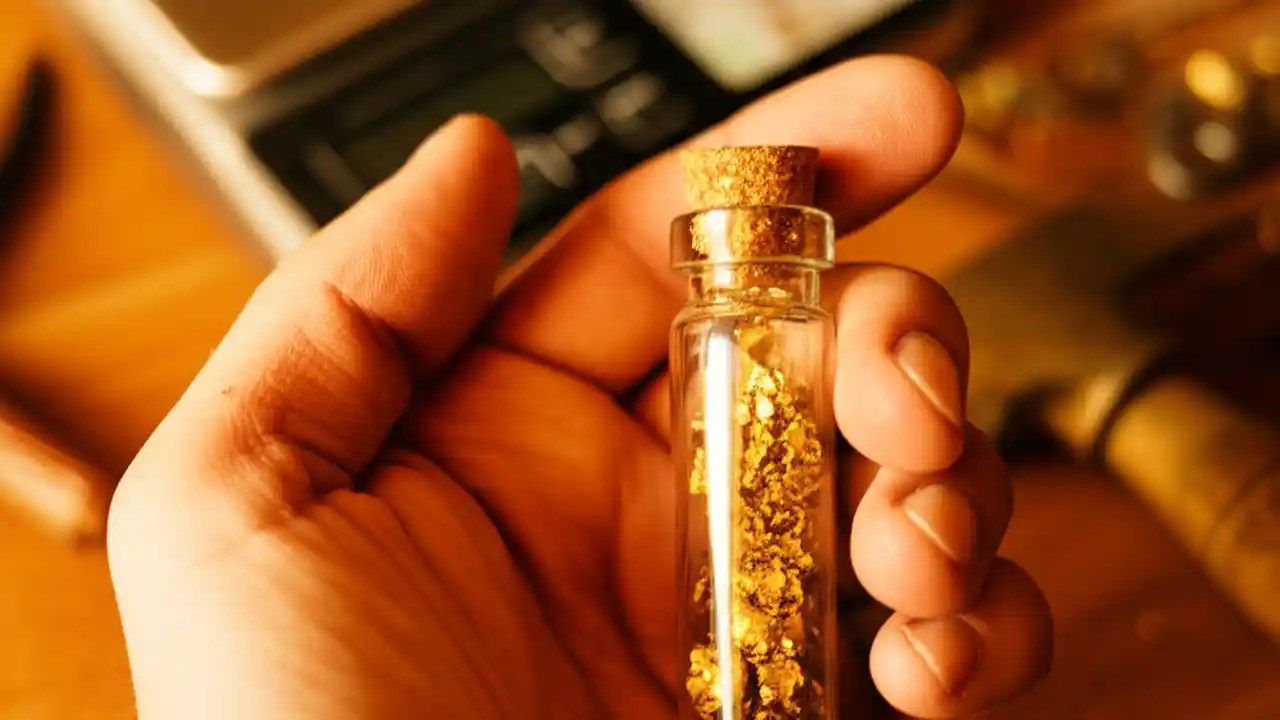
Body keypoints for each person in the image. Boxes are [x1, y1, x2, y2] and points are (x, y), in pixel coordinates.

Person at [107, 56, 1053, 719]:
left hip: (745, 679)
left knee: (910, 528)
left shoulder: (783, 328)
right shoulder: (711, 329)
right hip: (684, 672)